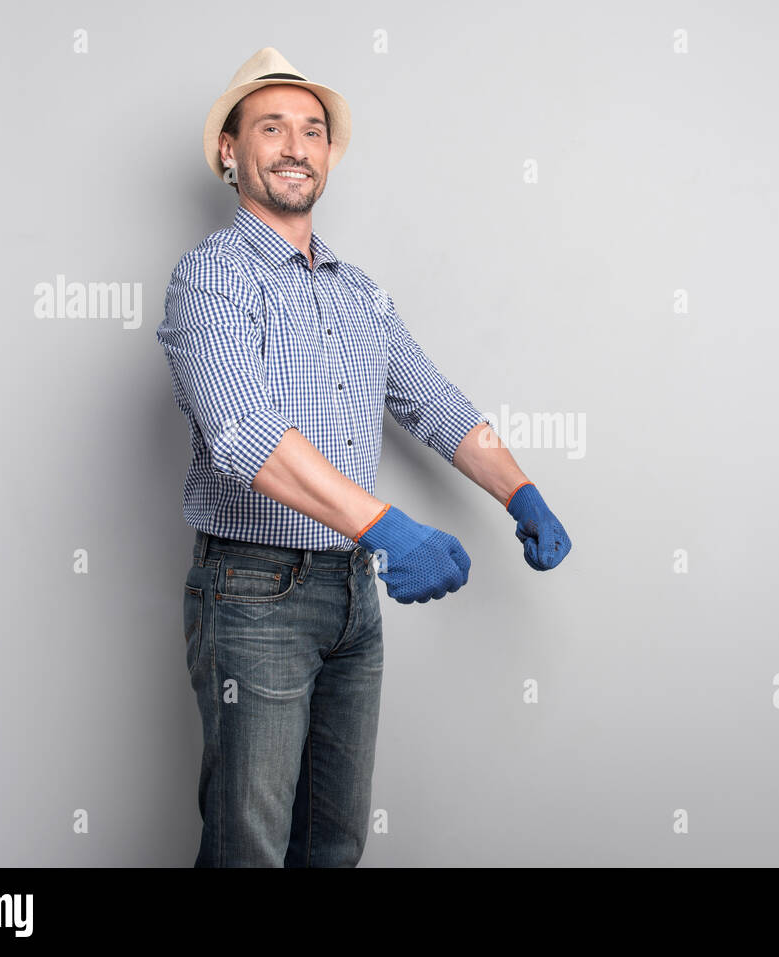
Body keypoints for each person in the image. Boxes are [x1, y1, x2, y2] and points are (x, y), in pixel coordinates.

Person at [155, 47, 572, 867]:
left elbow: (433, 401)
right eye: (270, 128)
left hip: (352, 594)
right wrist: (388, 526)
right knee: (250, 849)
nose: (296, 147)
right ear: (230, 153)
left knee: (335, 845)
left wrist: (522, 493)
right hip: (252, 592)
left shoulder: (358, 291)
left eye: (313, 131)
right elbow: (243, 431)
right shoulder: (210, 279)